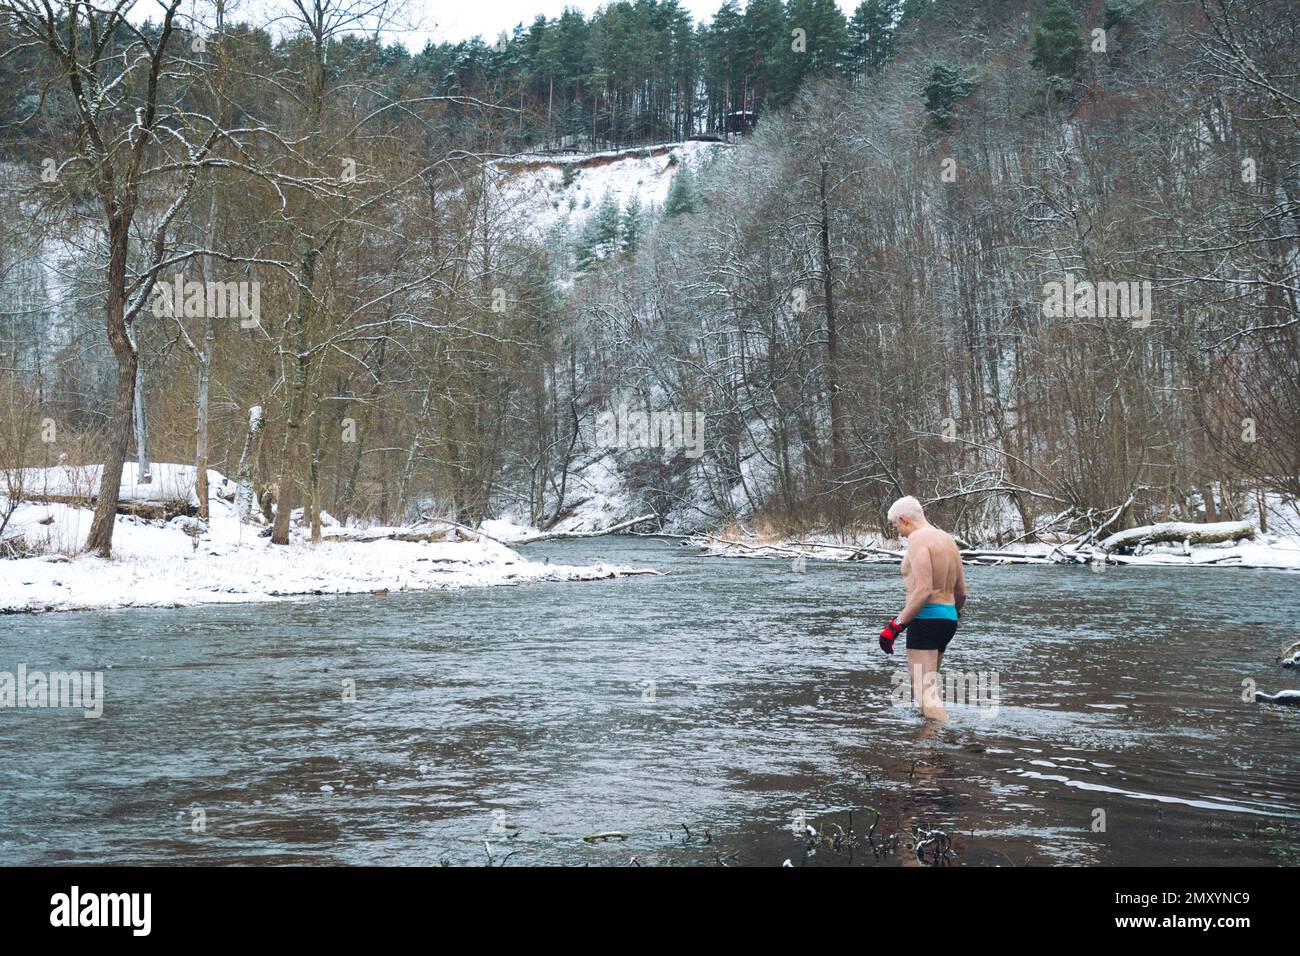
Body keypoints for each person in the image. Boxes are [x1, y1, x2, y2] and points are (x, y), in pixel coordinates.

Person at [878, 496, 967, 721]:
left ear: (904, 519)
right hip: (948, 619)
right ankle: (928, 751)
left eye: (896, 526)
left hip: (926, 619)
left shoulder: (918, 539)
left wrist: (895, 627)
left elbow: (924, 590)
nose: (898, 532)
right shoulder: (948, 540)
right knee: (928, 690)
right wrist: (951, 616)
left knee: (925, 693)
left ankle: (948, 740)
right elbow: (962, 593)